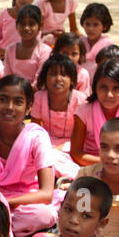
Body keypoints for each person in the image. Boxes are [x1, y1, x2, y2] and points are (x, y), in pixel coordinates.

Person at [0, 74, 57, 237]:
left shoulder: (37, 137)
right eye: (3, 99)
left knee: (45, 215)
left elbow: (46, 194)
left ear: (29, 107)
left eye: (18, 102)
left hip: (23, 202)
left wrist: (6, 203)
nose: (9, 107)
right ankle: (0, 230)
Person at [31, 51, 88, 179]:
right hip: (45, 144)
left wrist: (62, 147)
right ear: (45, 78)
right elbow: (35, 130)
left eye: (64, 75)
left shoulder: (80, 100)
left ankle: (77, 176)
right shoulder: (39, 97)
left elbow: (84, 134)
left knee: (51, 157)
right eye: (52, 74)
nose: (58, 79)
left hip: (73, 146)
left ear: (72, 79)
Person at [1, 4, 52, 85]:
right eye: (22, 24)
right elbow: (6, 78)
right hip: (13, 92)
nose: (26, 28)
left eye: (31, 24)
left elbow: (39, 81)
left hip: (35, 94)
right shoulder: (11, 49)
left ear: (40, 26)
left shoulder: (44, 51)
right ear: (16, 25)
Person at [78, 3, 113, 81]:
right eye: (87, 24)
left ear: (104, 26)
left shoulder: (107, 46)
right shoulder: (80, 43)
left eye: (95, 25)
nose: (91, 29)